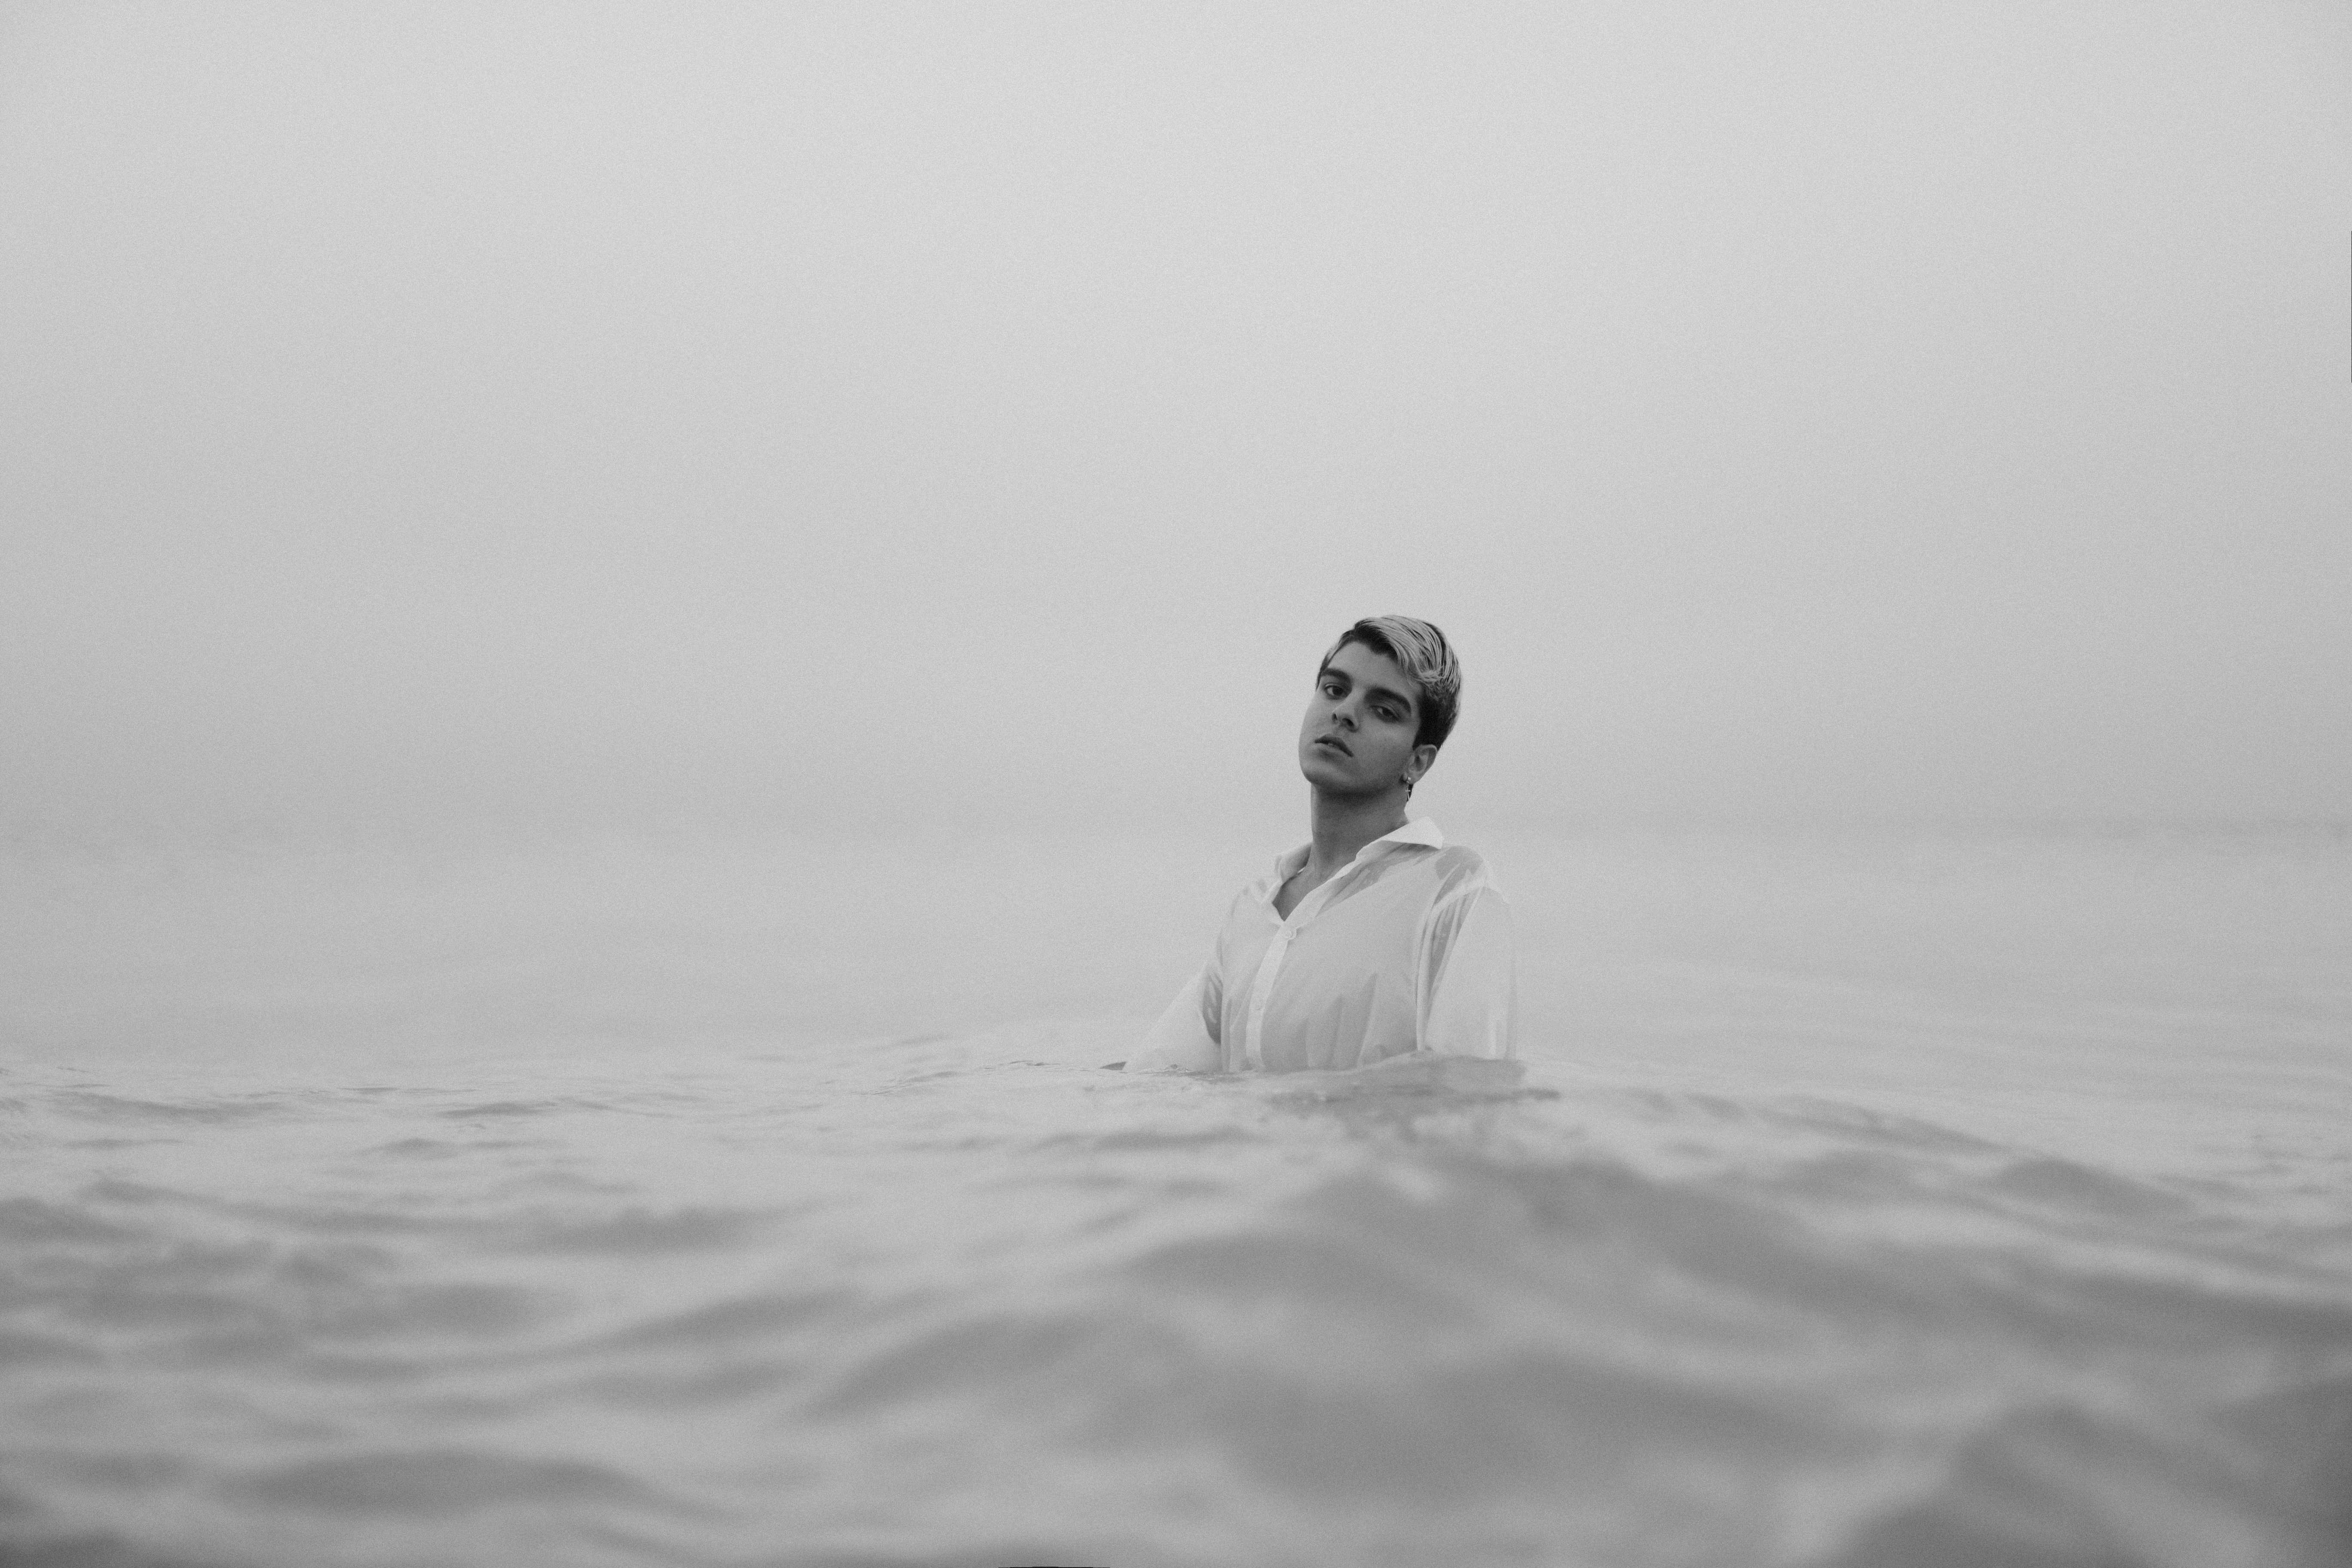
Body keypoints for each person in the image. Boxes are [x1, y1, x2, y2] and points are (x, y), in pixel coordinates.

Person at [1127, 616, 1515, 1072]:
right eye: (1334, 689)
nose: (1345, 712)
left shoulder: (1454, 891)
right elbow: (1156, 1079)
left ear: (1417, 762)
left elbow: (1469, 1090)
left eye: (1384, 711)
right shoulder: (1254, 909)